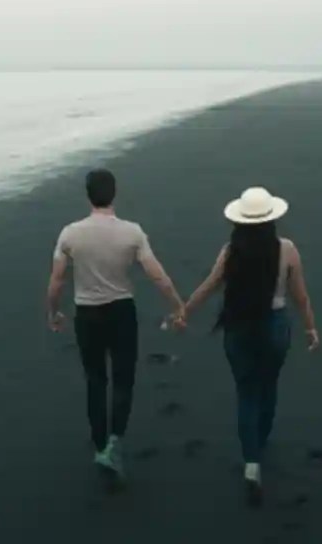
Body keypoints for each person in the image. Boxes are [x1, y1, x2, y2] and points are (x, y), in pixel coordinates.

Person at [173, 186, 320, 506]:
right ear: (271, 219)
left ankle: (251, 464)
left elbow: (209, 287)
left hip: (239, 329)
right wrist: (310, 328)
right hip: (275, 327)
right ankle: (262, 439)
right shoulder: (288, 250)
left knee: (246, 392)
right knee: (269, 386)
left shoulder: (230, 253)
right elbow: (300, 296)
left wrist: (184, 312)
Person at [46, 168, 187, 486]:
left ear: (88, 195)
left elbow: (57, 281)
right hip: (121, 311)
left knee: (95, 381)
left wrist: (53, 312)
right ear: (114, 193)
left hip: (87, 314)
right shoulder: (132, 232)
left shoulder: (70, 233)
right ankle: (114, 442)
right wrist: (177, 305)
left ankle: (99, 446)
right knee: (123, 380)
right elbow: (156, 274)